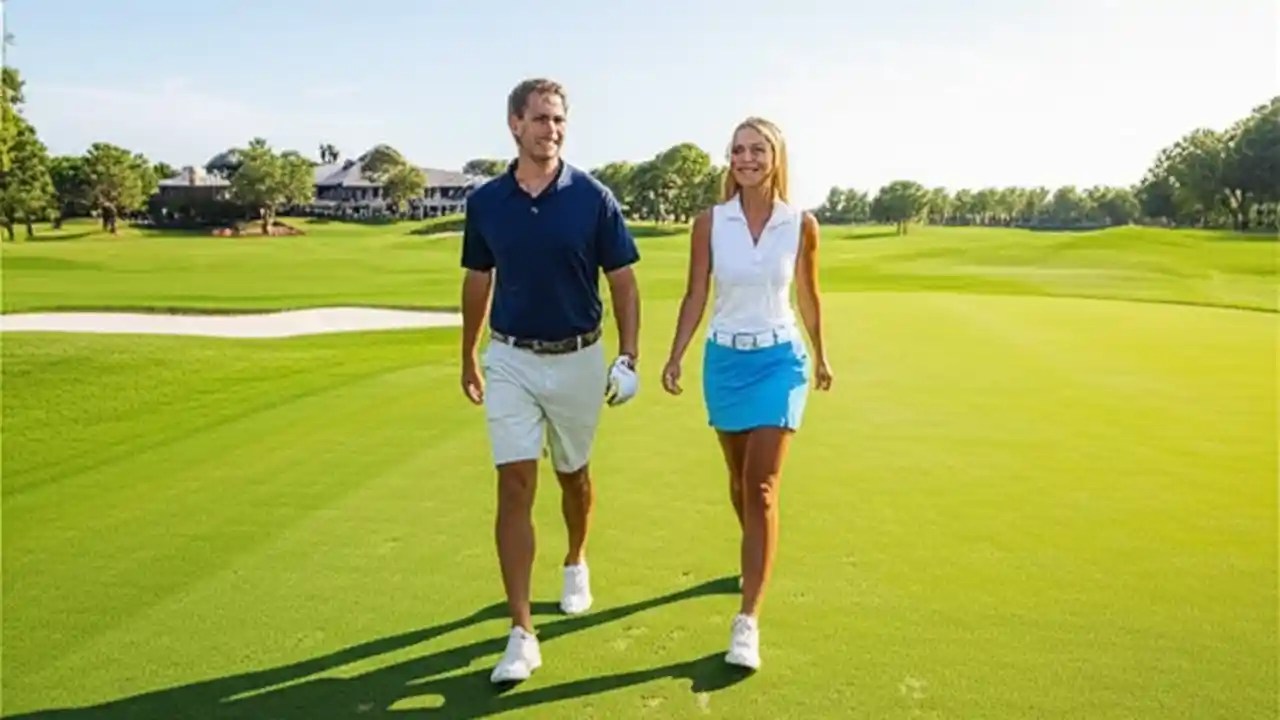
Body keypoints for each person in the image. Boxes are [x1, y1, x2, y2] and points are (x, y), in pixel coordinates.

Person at [459, 78, 642, 684]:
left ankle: (575, 559)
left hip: (579, 358)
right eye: (540, 119)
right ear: (515, 123)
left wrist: (631, 355)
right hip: (511, 357)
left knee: (574, 476)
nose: (552, 129)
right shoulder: (486, 201)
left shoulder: (593, 197)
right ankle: (521, 632)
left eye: (559, 120)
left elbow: (622, 281)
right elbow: (478, 279)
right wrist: (469, 356)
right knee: (514, 484)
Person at [659, 116, 833, 671]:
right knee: (738, 482)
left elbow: (808, 294)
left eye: (758, 150)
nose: (747, 158)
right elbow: (695, 294)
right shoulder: (709, 223)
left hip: (781, 361)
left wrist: (821, 353)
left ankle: (747, 621)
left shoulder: (799, 224)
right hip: (725, 361)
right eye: (738, 150)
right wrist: (675, 354)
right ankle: (755, 550)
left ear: (776, 157)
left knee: (761, 486)